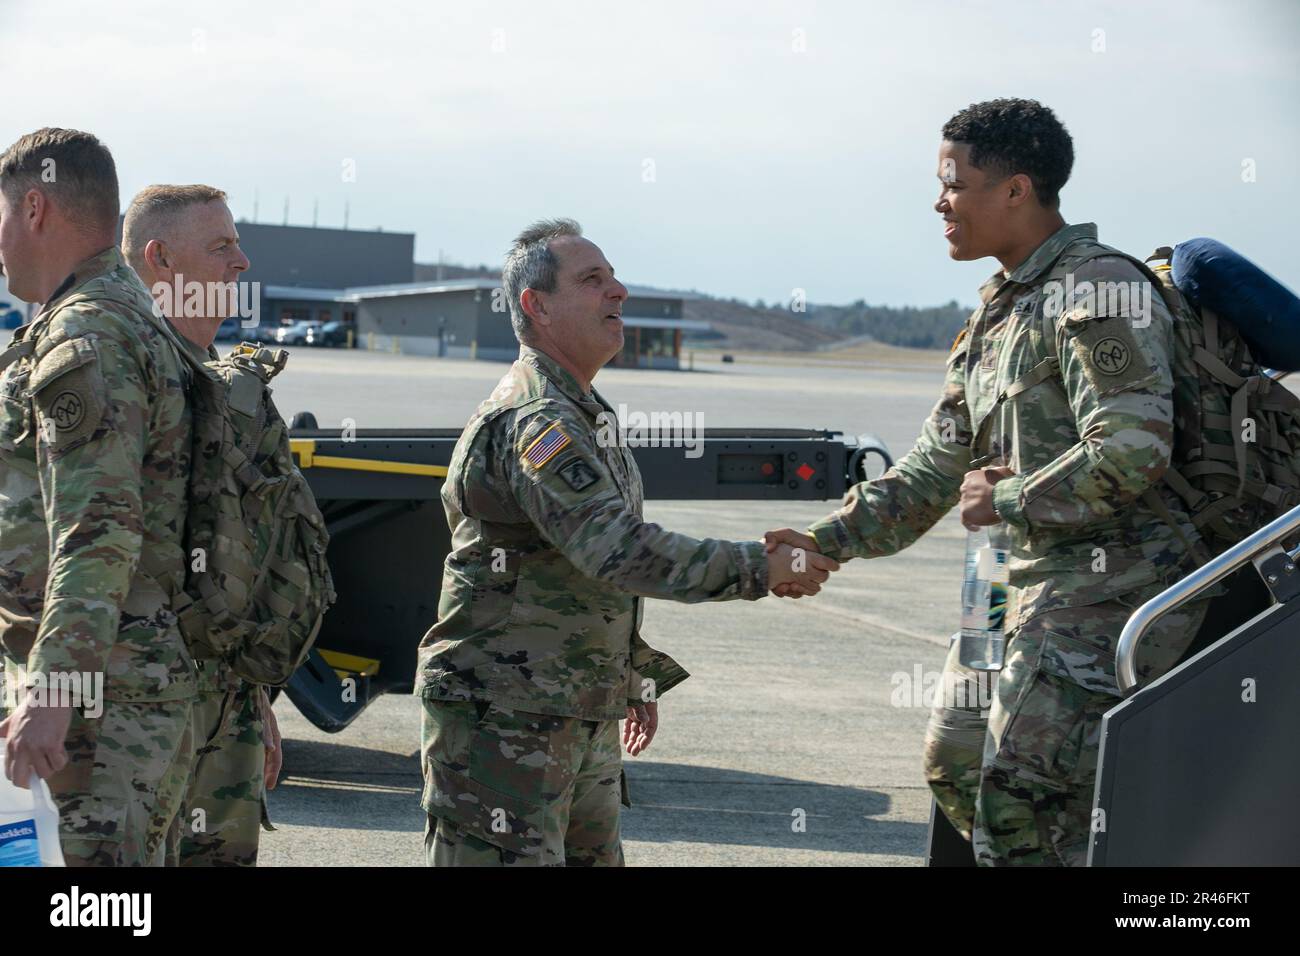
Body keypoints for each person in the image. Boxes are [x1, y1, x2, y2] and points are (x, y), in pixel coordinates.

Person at [766, 98, 1220, 866]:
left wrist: (1005, 498)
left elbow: (1133, 449)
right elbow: (934, 470)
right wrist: (824, 542)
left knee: (1022, 795)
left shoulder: (1098, 291)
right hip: (1020, 588)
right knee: (957, 761)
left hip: (1114, 584)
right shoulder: (998, 318)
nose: (939, 202)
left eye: (955, 183)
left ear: (1015, 189)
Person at [417, 218, 838, 866]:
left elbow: (585, 572)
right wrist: (762, 567)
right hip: (504, 719)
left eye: (613, 277)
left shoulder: (582, 411)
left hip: (570, 710)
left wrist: (629, 671)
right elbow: (617, 548)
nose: (618, 292)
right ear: (537, 305)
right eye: (593, 280)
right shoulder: (537, 420)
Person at [0, 129, 195, 866]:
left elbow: (97, 526)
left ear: (36, 208)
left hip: (98, 707)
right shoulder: (122, 316)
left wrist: (52, 694)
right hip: (116, 691)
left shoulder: (89, 334)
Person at [122, 183, 283, 866]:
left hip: (222, 705)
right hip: (129, 709)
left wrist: (252, 697)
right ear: (160, 258)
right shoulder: (113, 374)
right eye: (221, 246)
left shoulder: (220, 387)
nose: (241, 263)